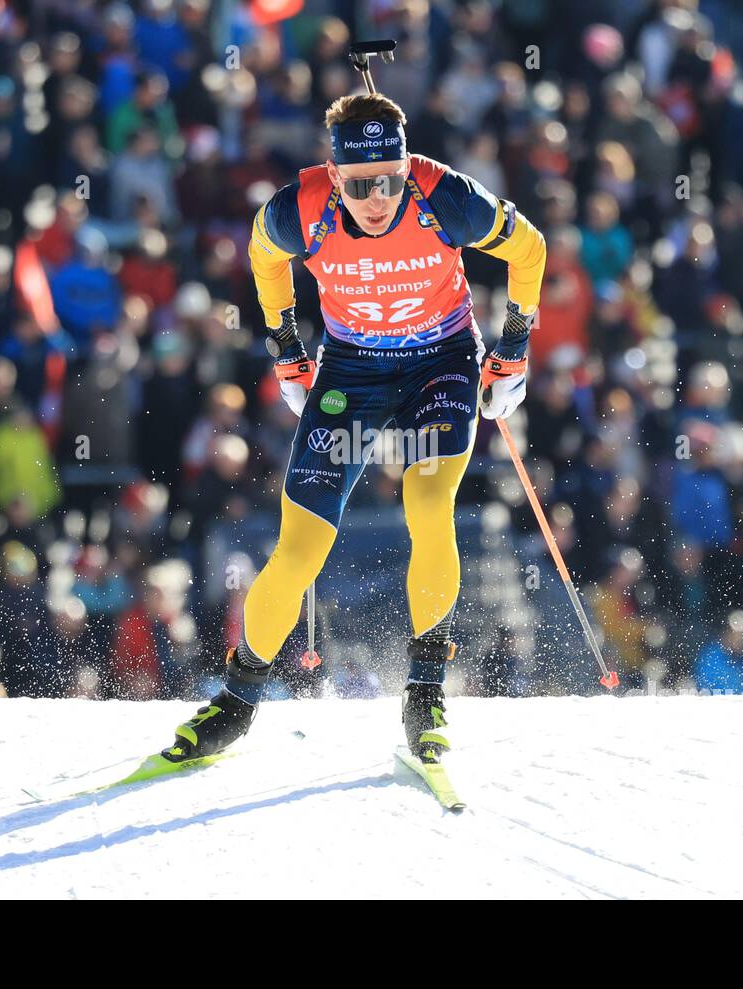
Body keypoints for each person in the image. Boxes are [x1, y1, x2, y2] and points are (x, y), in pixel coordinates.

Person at [162, 90, 545, 765]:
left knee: (427, 504)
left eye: (391, 179)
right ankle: (237, 699)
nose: (379, 198)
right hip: (353, 371)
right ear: (334, 176)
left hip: (441, 364)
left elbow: (530, 248)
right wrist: (286, 349)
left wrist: (513, 349)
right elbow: (261, 255)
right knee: (301, 544)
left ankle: (425, 690)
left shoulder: (443, 195)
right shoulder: (299, 209)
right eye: (362, 184)